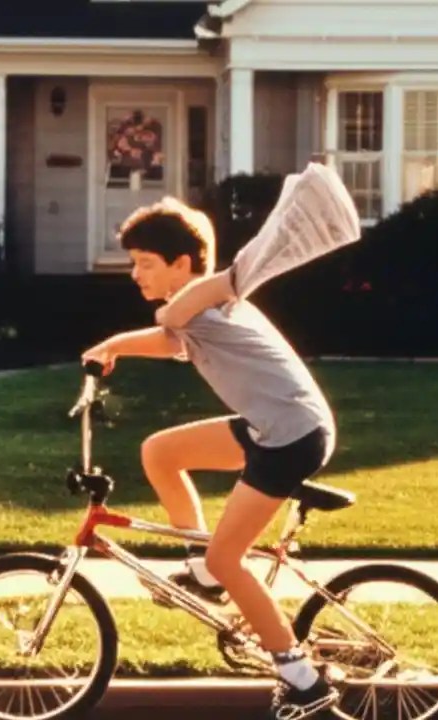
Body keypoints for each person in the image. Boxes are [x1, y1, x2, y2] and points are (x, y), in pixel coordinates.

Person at [80, 163, 361, 720]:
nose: (134, 274)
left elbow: (173, 322)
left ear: (181, 264)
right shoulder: (194, 312)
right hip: (270, 426)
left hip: (291, 435)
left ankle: (300, 677)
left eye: (144, 264)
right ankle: (203, 570)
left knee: (229, 557)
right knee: (160, 451)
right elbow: (168, 341)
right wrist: (113, 345)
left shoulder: (200, 300)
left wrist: (119, 340)